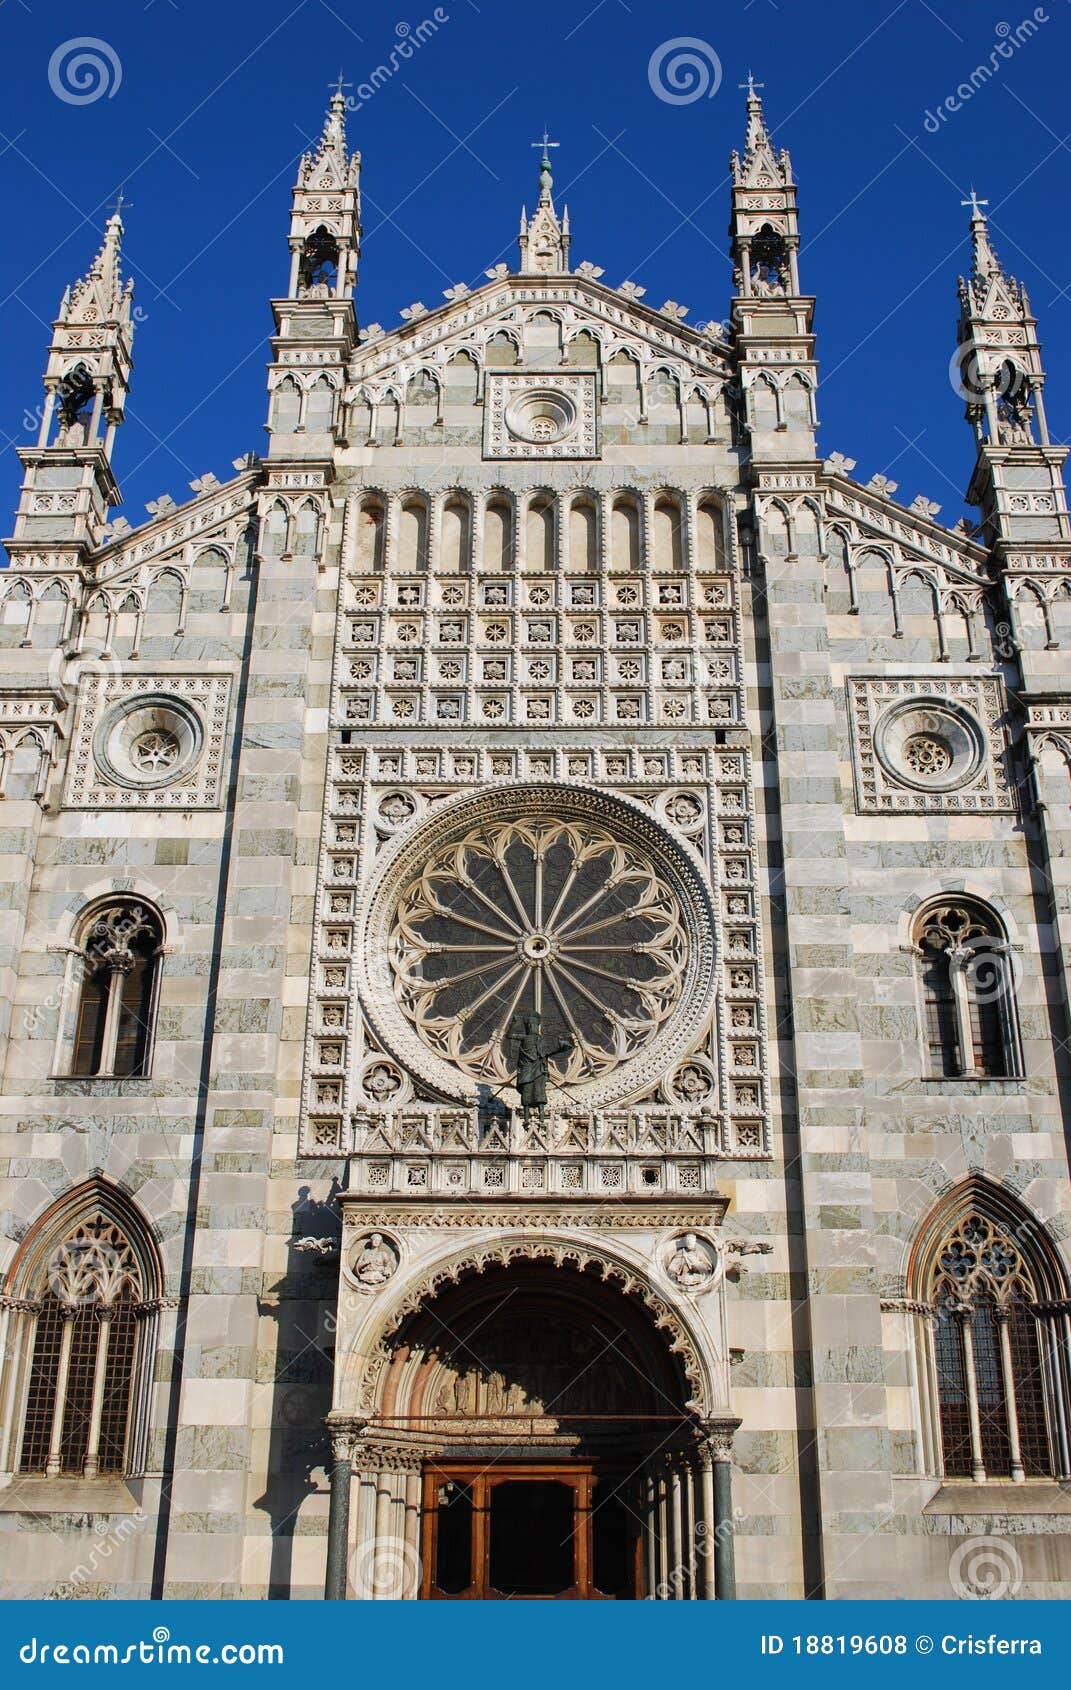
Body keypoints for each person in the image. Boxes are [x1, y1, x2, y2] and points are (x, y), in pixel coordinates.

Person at [506, 1011, 572, 1125]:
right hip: (527, 1068)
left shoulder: (541, 1039)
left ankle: (541, 1119)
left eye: (535, 1025)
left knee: (539, 1093)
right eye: (531, 1025)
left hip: (538, 1068)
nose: (533, 1027)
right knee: (526, 1094)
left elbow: (546, 1052)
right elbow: (509, 1035)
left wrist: (562, 1048)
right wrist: (514, 1023)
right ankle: (526, 1119)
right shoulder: (524, 1037)